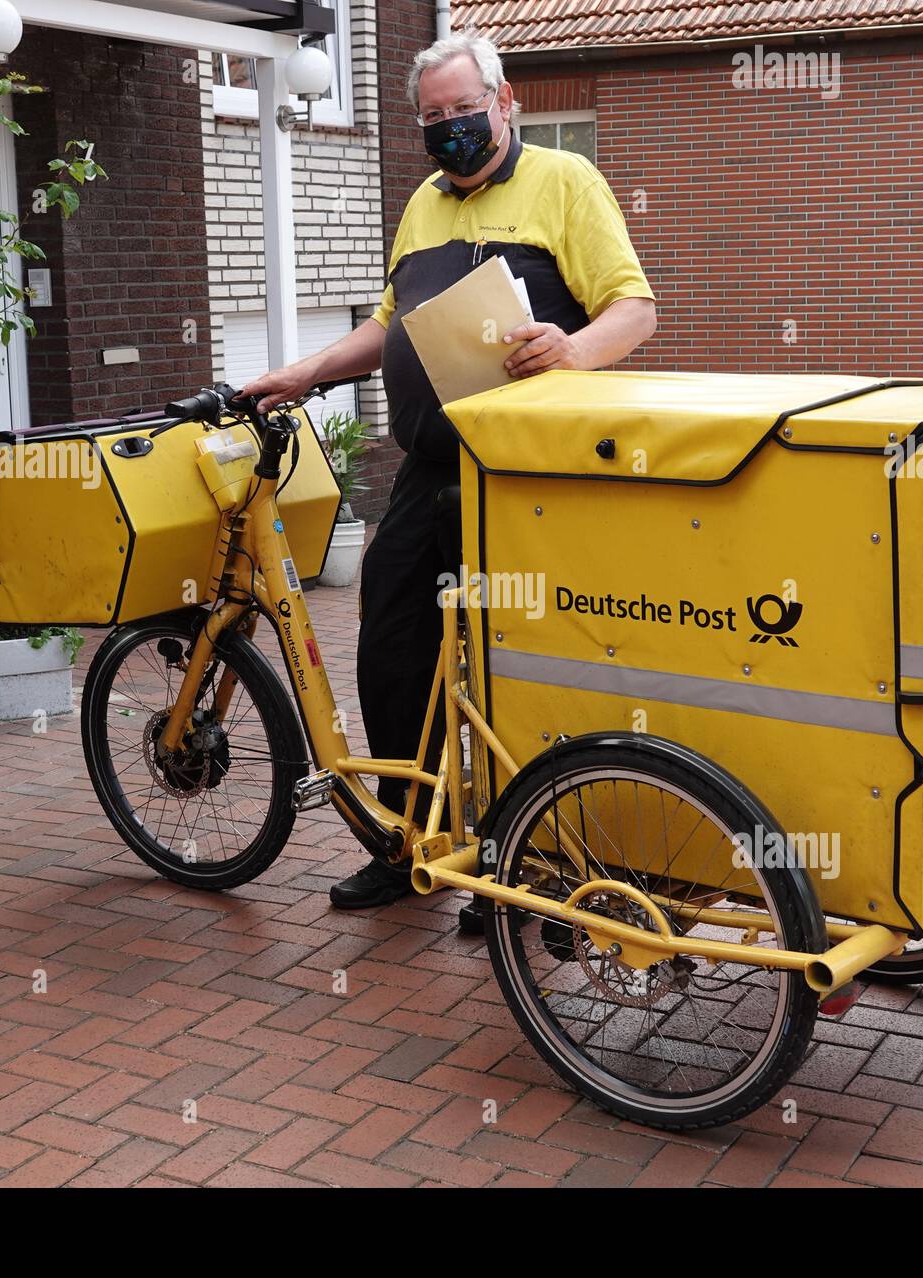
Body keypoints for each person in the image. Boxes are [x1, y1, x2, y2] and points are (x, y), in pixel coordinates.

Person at [241, 30, 656, 909]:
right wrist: (304, 372)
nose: (451, 127)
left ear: (506, 103)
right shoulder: (424, 204)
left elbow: (635, 307)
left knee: (516, 668)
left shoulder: (564, 182)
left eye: (465, 110)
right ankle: (407, 842)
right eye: (434, 117)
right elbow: (392, 323)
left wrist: (572, 349)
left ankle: (525, 868)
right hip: (431, 471)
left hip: (527, 482)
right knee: (395, 651)